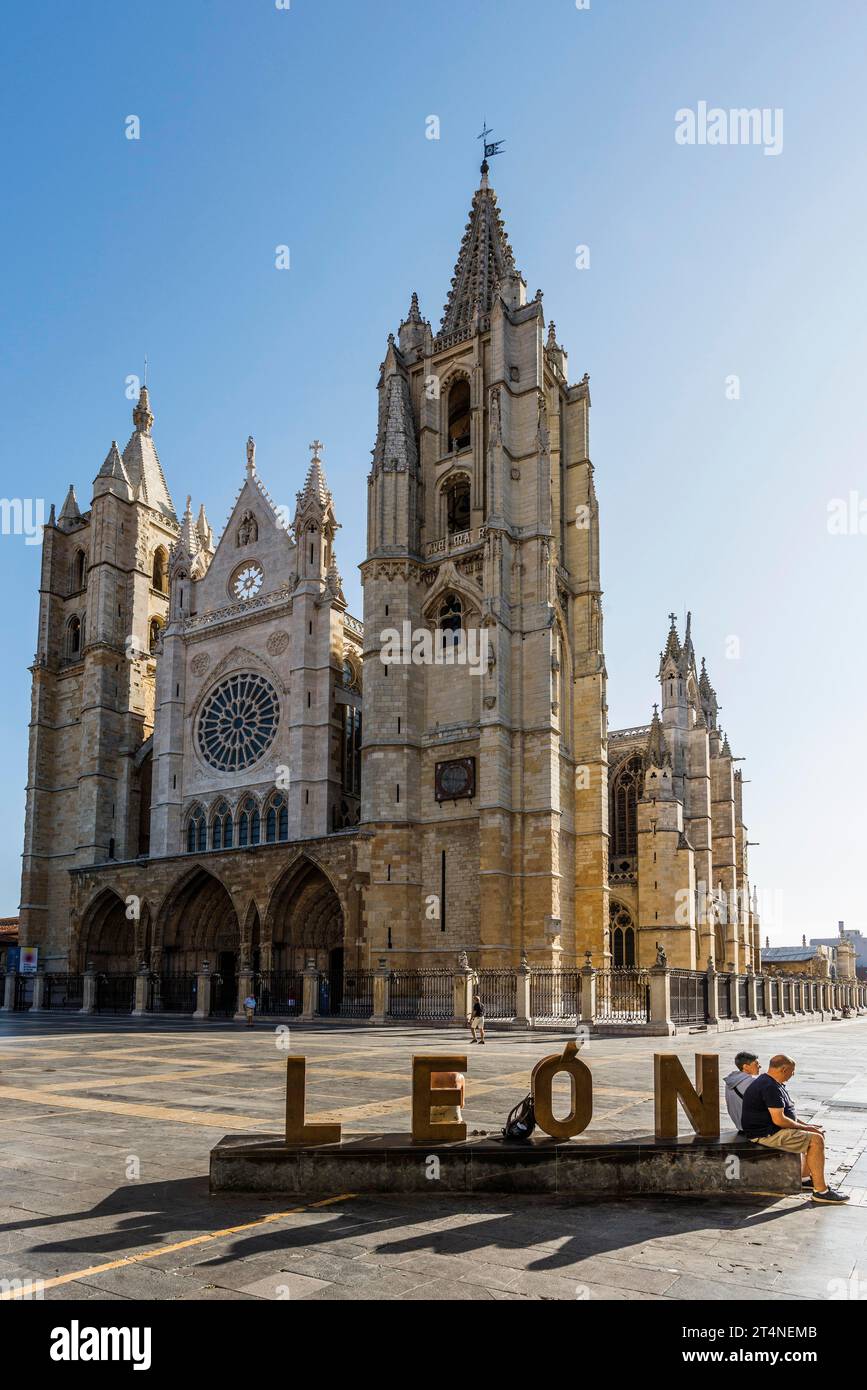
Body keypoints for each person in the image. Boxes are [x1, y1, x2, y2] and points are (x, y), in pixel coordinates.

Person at [740, 1053, 849, 1205]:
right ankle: (821, 1191)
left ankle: (805, 1180)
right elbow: (779, 1119)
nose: (793, 1074)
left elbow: (785, 1115)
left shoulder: (770, 1082)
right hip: (766, 1134)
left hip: (771, 1129)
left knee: (812, 1134)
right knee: (816, 1140)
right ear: (784, 1069)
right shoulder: (769, 1086)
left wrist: (808, 1127)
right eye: (792, 1070)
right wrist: (807, 1128)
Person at [724, 1051, 760, 1130]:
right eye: (756, 1064)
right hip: (753, 1127)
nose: (759, 1066)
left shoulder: (731, 1081)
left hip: (739, 1125)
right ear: (745, 1066)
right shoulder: (752, 1082)